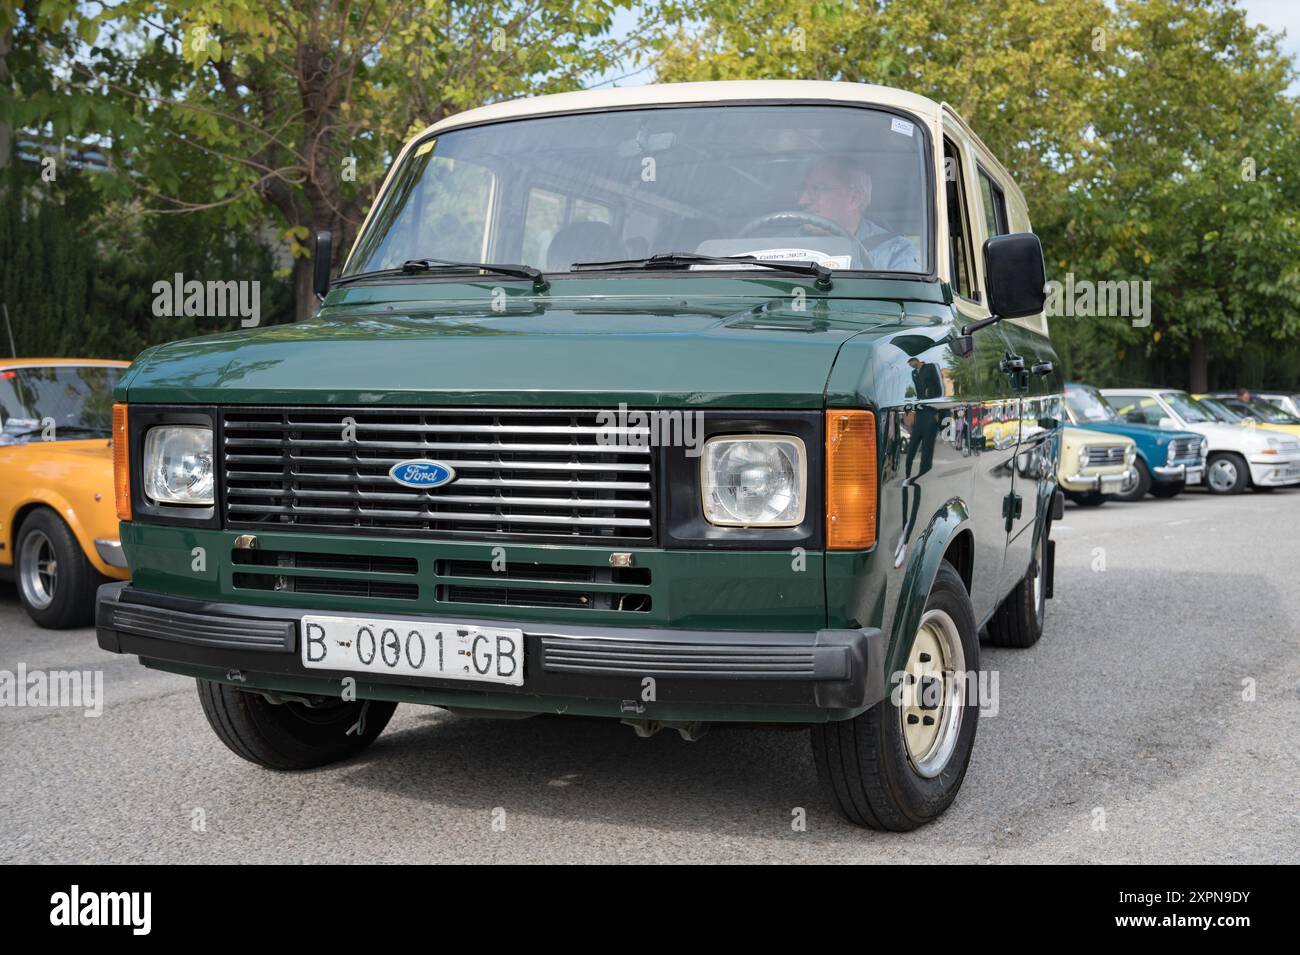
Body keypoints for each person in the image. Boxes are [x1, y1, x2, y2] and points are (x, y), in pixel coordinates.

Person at [797, 157, 921, 271]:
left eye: (818, 189)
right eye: (804, 190)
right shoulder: (782, 243)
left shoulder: (893, 251)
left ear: (854, 199)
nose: (802, 201)